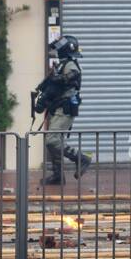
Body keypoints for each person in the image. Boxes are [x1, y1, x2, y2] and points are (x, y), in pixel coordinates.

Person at [35, 34, 92, 185]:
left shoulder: (70, 64)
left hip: (65, 109)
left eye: (60, 48)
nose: (57, 51)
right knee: (54, 142)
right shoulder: (61, 64)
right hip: (58, 108)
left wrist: (59, 78)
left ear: (66, 49)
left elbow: (74, 75)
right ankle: (58, 176)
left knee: (52, 140)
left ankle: (82, 158)